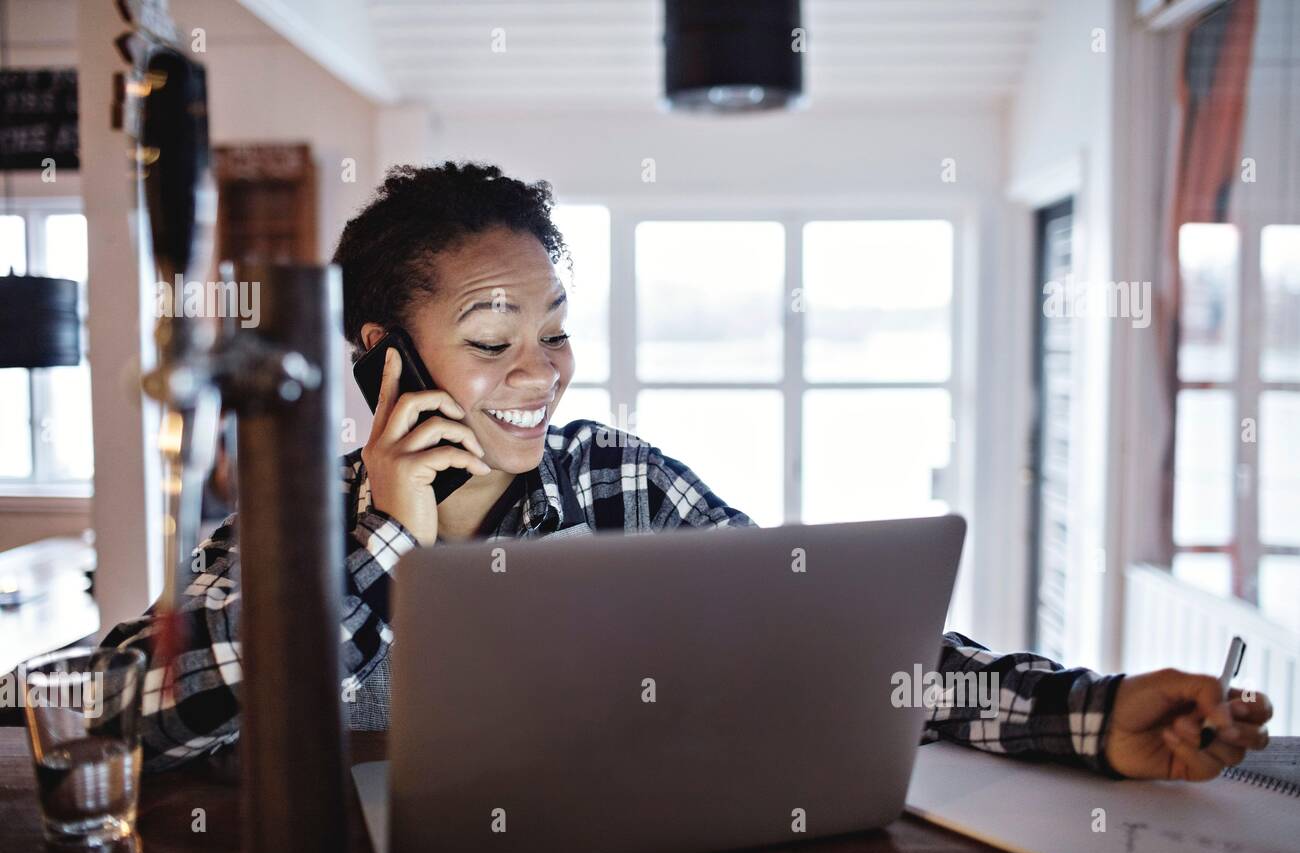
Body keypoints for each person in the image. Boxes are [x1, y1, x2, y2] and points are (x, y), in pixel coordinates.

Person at [103, 161, 1273, 780]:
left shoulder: (621, 483)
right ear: (387, 357)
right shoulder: (289, 521)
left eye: (555, 330)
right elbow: (134, 707)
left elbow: (833, 643)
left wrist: (1087, 713)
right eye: (494, 340)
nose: (540, 373)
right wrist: (384, 545)